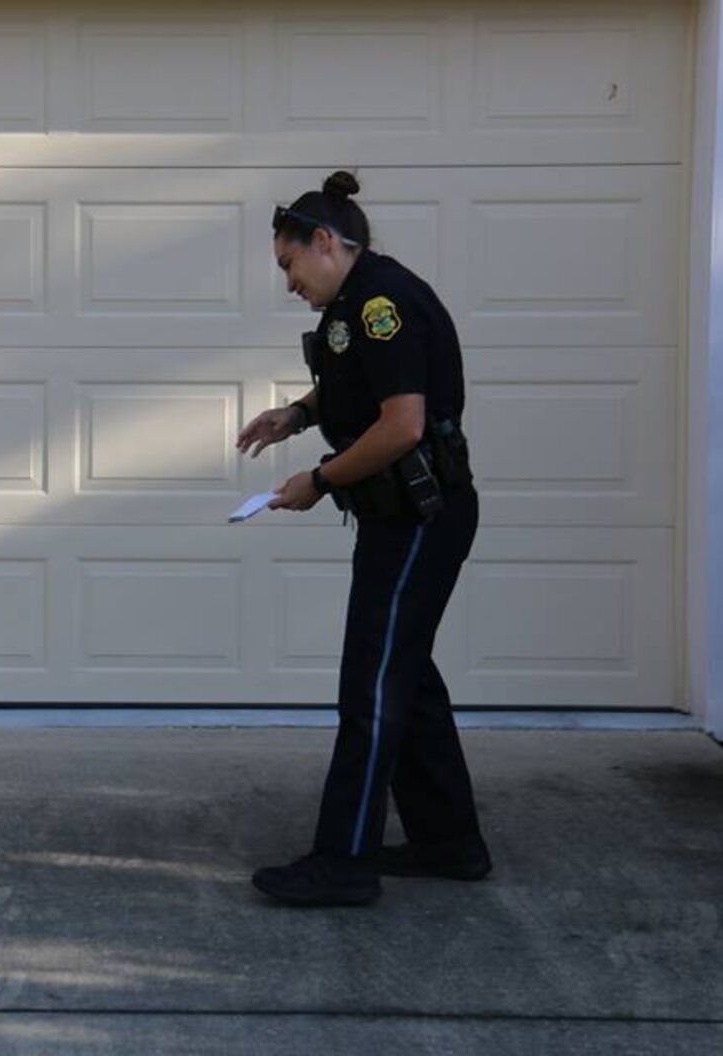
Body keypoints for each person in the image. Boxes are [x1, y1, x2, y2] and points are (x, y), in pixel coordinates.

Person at [238, 171, 491, 907]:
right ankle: (451, 843)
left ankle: (343, 861)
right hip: (403, 517)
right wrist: (298, 413)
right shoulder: (358, 301)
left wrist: (318, 480)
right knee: (404, 678)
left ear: (325, 242)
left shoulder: (382, 303)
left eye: (289, 263)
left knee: (373, 685)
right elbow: (360, 381)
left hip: (420, 518)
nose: (288, 282)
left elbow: (402, 424)